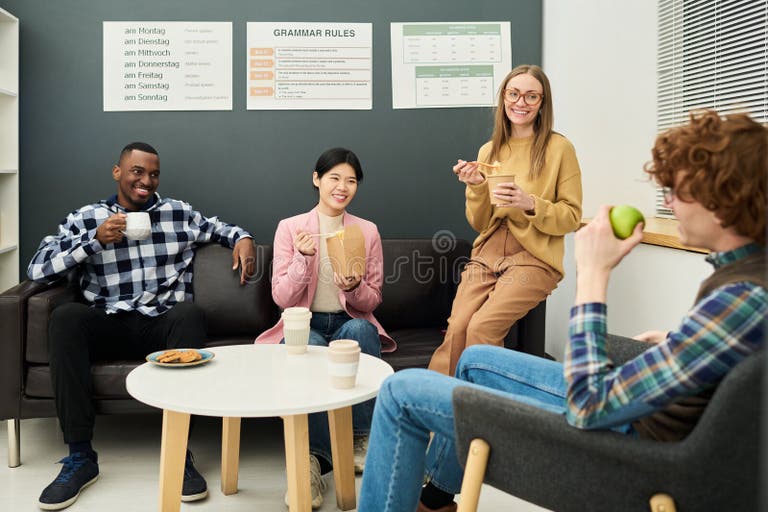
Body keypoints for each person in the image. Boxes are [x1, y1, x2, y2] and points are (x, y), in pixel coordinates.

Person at [358, 109, 766, 512]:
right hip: (639, 412)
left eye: (679, 192)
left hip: (621, 441)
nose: (669, 202)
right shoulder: (747, 277)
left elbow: (590, 403)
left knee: (401, 389)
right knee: (476, 358)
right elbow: (717, 358)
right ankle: (436, 498)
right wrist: (680, 342)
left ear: (726, 198)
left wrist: (592, 273)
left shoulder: (744, 296)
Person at [28, 142, 256, 510]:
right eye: (137, 171)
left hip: (160, 325)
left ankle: (179, 454)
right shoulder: (87, 217)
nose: (146, 181)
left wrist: (243, 239)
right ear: (118, 172)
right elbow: (36, 268)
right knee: (65, 317)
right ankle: (81, 457)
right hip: (106, 321)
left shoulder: (177, 213)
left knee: (189, 313)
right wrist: (93, 241)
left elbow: (220, 228)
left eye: (153, 174)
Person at [255, 147, 394, 508]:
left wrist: (353, 288)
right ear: (316, 179)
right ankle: (312, 460)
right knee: (306, 352)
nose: (342, 187)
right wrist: (302, 260)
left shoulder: (367, 231)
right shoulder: (291, 228)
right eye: (334, 178)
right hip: (304, 323)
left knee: (363, 332)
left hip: (349, 321)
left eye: (351, 181)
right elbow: (282, 297)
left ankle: (360, 440)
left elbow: (373, 299)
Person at [428, 64, 583, 376]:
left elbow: (571, 217)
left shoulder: (559, 148)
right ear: (503, 99)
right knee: (457, 327)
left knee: (482, 328)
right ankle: (440, 413)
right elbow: (479, 222)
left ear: (542, 103)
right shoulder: (490, 149)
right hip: (489, 249)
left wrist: (530, 203)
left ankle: (488, 417)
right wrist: (476, 187)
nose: (520, 102)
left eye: (531, 96)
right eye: (513, 94)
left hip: (535, 257)